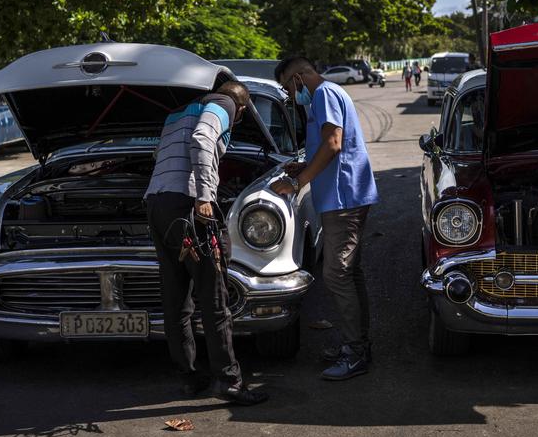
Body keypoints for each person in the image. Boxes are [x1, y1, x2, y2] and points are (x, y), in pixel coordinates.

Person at [144, 80, 268, 405]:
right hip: (188, 206)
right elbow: (202, 139)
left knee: (176, 300)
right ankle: (228, 381)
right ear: (242, 109)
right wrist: (205, 196)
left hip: (157, 204)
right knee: (214, 300)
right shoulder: (224, 104)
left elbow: (158, 154)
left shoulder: (175, 115)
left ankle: (188, 377)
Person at [271, 57, 379, 381]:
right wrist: (302, 167)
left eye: (288, 90)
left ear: (298, 78)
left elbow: (333, 143)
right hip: (346, 195)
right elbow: (327, 146)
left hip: (343, 198)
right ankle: (357, 344)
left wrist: (296, 182)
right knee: (349, 273)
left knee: (336, 274)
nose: (291, 98)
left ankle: (355, 352)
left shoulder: (323, 94)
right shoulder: (328, 94)